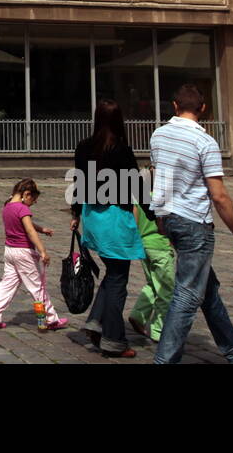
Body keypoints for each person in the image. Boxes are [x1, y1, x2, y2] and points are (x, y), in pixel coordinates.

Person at [150, 83, 233, 364]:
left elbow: (156, 178)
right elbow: (219, 196)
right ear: (203, 109)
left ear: (174, 106)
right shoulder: (205, 143)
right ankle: (164, 361)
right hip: (194, 224)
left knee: (206, 289)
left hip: (171, 220)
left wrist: (161, 218)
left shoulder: (159, 136)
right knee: (187, 297)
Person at [70, 99, 151, 358]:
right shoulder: (121, 149)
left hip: (92, 215)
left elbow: (78, 182)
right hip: (115, 217)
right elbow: (138, 187)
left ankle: (95, 322)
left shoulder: (84, 147)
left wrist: (75, 213)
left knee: (113, 273)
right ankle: (113, 340)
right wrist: (155, 215)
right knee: (118, 279)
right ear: (119, 121)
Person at [0, 178, 67, 331]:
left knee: (7, 283)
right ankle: (51, 319)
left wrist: (42, 229)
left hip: (9, 252)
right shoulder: (22, 209)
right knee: (37, 286)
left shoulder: (7, 206)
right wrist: (43, 251)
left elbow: (25, 223)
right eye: (33, 200)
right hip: (24, 253)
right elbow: (29, 230)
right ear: (27, 194)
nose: (33, 203)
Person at [128, 204, 175, 343]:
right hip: (160, 246)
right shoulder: (164, 198)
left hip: (144, 244)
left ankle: (139, 314)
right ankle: (158, 329)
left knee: (153, 284)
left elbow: (134, 219)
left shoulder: (140, 196)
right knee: (167, 289)